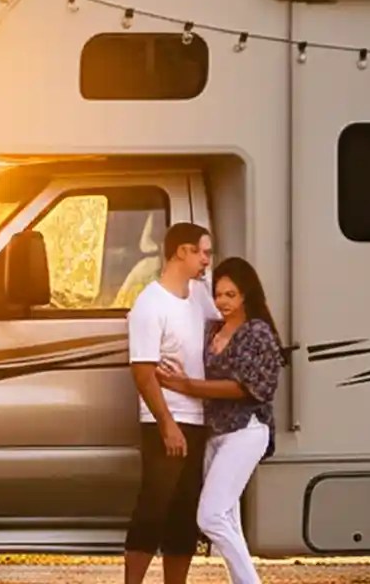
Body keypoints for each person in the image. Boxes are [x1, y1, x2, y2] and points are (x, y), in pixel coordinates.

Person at [156, 257, 284, 584]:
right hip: (216, 433)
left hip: (246, 431)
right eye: (219, 294)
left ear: (246, 296)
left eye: (231, 294)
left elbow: (247, 387)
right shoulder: (214, 329)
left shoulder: (257, 332)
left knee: (210, 516)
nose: (223, 301)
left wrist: (187, 386)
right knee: (228, 519)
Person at [123, 222, 221, 584]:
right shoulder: (151, 303)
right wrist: (167, 424)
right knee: (153, 508)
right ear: (183, 251)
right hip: (166, 422)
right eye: (204, 252)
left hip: (198, 419)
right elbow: (143, 371)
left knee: (184, 513)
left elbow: (228, 321)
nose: (208, 261)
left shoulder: (199, 295)